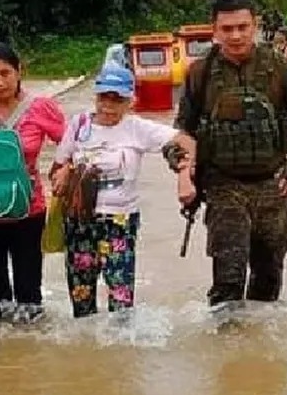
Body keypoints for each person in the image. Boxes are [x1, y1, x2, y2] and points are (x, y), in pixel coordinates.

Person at [168, 0, 287, 309]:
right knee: (227, 279)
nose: (236, 35)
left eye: (243, 26)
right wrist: (184, 174)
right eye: (227, 29)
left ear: (254, 25)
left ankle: (261, 352)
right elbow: (184, 130)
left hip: (273, 183)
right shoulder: (200, 73)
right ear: (214, 30)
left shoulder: (282, 69)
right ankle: (227, 350)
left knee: (268, 277)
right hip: (223, 184)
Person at [51, 65, 194, 318]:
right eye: (103, 96)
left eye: (117, 99)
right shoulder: (79, 124)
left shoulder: (138, 128)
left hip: (120, 222)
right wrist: (63, 172)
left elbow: (187, 141)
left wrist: (185, 177)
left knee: (121, 301)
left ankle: (121, 352)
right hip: (79, 222)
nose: (108, 105)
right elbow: (58, 167)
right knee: (81, 299)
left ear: (131, 100)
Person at [0, 42, 67, 325]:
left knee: (29, 296)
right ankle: (1, 361)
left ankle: (28, 360)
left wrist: (63, 170)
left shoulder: (41, 108)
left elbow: (72, 144)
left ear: (19, 71)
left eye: (5, 73)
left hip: (28, 213)